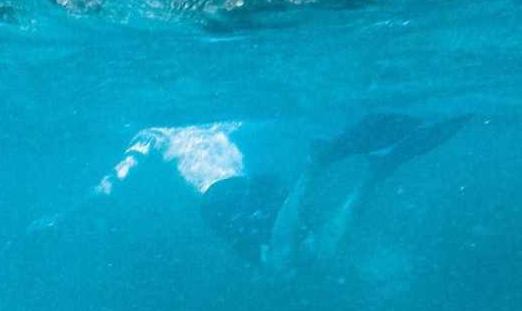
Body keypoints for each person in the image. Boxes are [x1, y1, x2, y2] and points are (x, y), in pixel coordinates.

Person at [35, 111, 468, 271]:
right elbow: (278, 119)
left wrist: (64, 215)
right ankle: (372, 172)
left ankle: (323, 168)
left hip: (219, 200)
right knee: (315, 252)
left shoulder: (154, 133)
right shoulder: (223, 121)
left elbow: (111, 183)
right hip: (256, 190)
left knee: (281, 259)